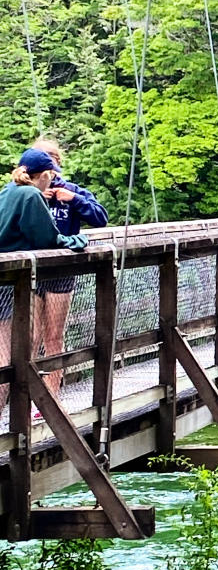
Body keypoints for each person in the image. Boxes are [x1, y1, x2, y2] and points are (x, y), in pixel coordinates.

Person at [0, 149, 88, 414]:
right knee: (8, 354)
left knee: (7, 347)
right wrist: (77, 241)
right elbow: (48, 239)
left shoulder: (7, 191)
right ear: (47, 174)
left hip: (4, 277)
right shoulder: (31, 195)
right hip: (13, 284)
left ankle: (12, 414)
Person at [30, 137, 107, 399]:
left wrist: (73, 199)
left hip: (61, 273)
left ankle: (51, 398)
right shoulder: (24, 191)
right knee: (29, 339)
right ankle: (27, 396)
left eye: (51, 158)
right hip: (29, 273)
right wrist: (36, 197)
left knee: (53, 337)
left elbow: (100, 218)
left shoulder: (71, 190)